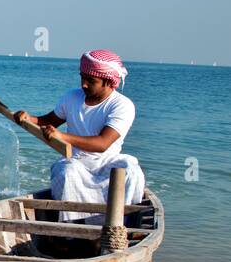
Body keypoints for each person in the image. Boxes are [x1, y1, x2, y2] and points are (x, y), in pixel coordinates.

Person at [13, 49, 145, 222]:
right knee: (66, 171)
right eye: (82, 78)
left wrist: (62, 137)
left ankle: (120, 223)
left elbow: (102, 143)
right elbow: (47, 121)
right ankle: (72, 226)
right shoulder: (71, 97)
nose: (84, 84)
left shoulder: (122, 105)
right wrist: (27, 118)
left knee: (131, 170)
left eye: (91, 81)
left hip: (106, 162)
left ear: (108, 82)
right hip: (76, 161)